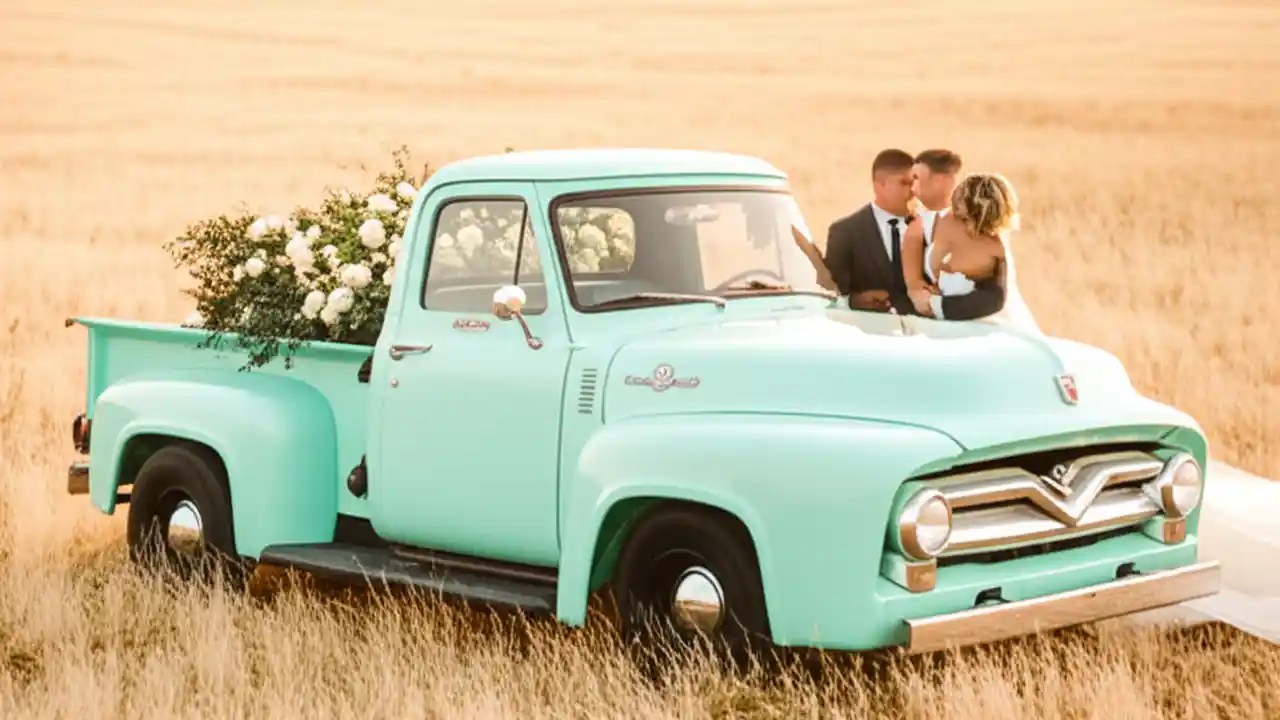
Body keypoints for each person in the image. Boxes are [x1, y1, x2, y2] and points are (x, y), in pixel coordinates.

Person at [901, 171, 1042, 334]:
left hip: (987, 326)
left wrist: (935, 304)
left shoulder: (995, 247)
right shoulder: (928, 223)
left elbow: (992, 300)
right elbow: (909, 250)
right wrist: (915, 287)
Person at [822, 148, 918, 314]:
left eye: (915, 183)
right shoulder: (845, 233)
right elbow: (830, 295)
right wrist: (855, 301)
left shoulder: (930, 228)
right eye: (904, 183)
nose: (913, 190)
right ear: (879, 186)